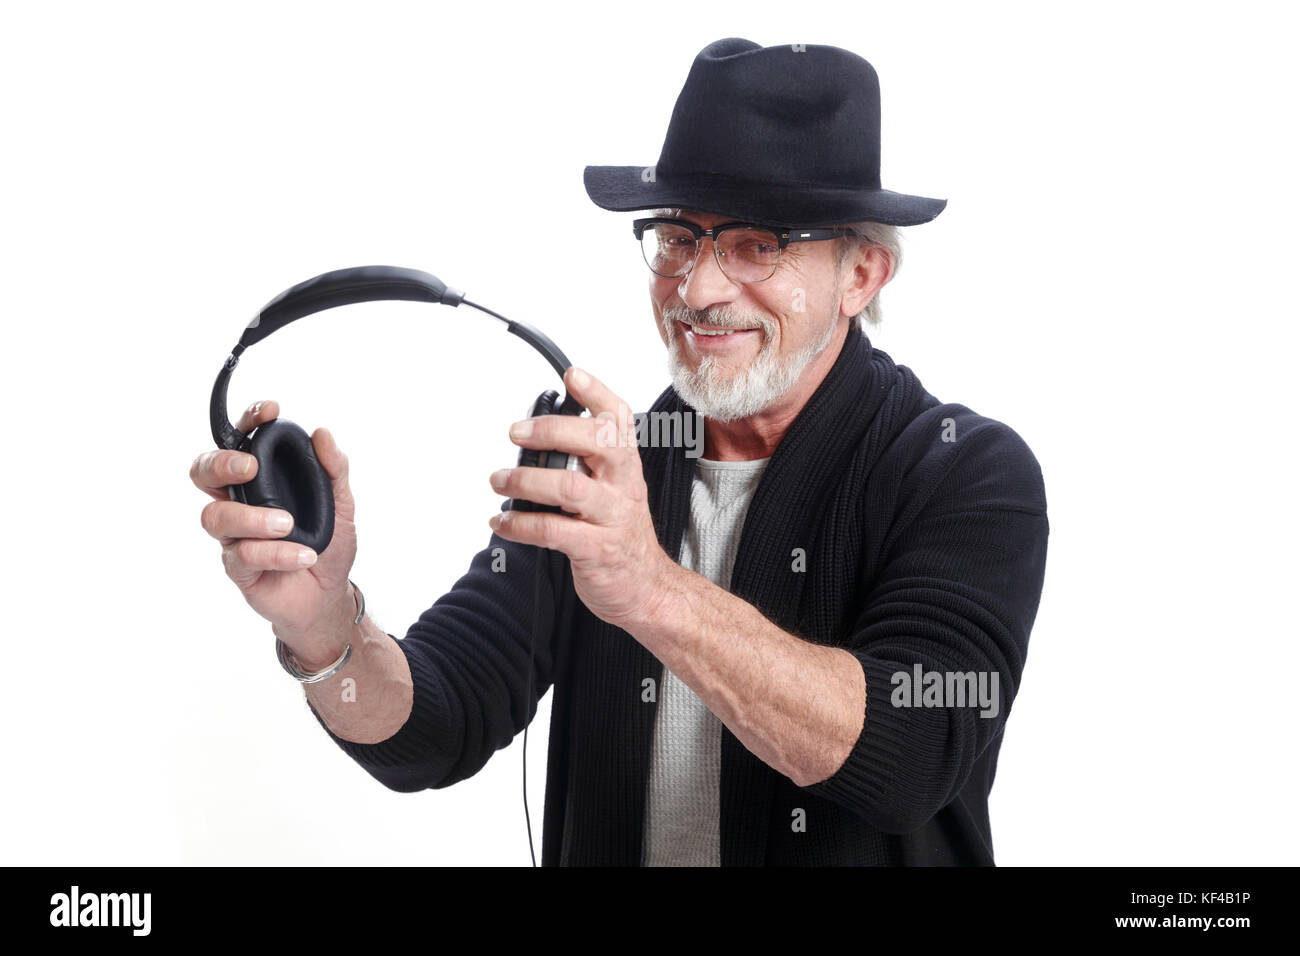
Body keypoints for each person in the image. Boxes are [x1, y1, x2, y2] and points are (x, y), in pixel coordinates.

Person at [190, 38, 1049, 866]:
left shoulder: (967, 473)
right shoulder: (596, 477)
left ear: (861, 275)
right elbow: (430, 728)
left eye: (758, 245)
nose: (699, 289)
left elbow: (908, 756)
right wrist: (325, 626)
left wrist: (649, 588)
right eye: (678, 238)